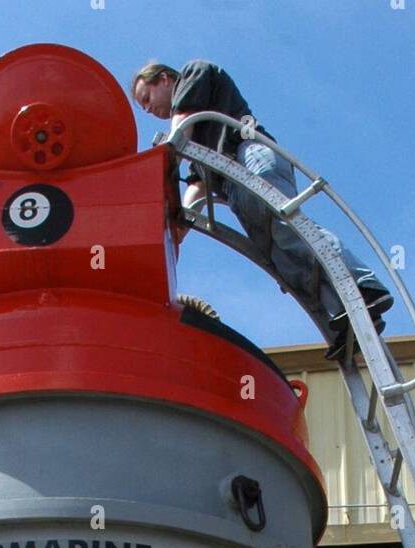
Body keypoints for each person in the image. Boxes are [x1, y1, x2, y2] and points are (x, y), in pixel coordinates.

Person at [130, 60, 393, 360]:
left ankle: (363, 287)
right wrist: (177, 231)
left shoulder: (195, 74)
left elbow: (181, 126)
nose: (149, 110)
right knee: (283, 261)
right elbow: (197, 187)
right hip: (234, 185)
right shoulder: (197, 147)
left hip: (248, 156)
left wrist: (161, 161)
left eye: (147, 99)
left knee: (287, 229)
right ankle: (345, 319)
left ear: (164, 80)